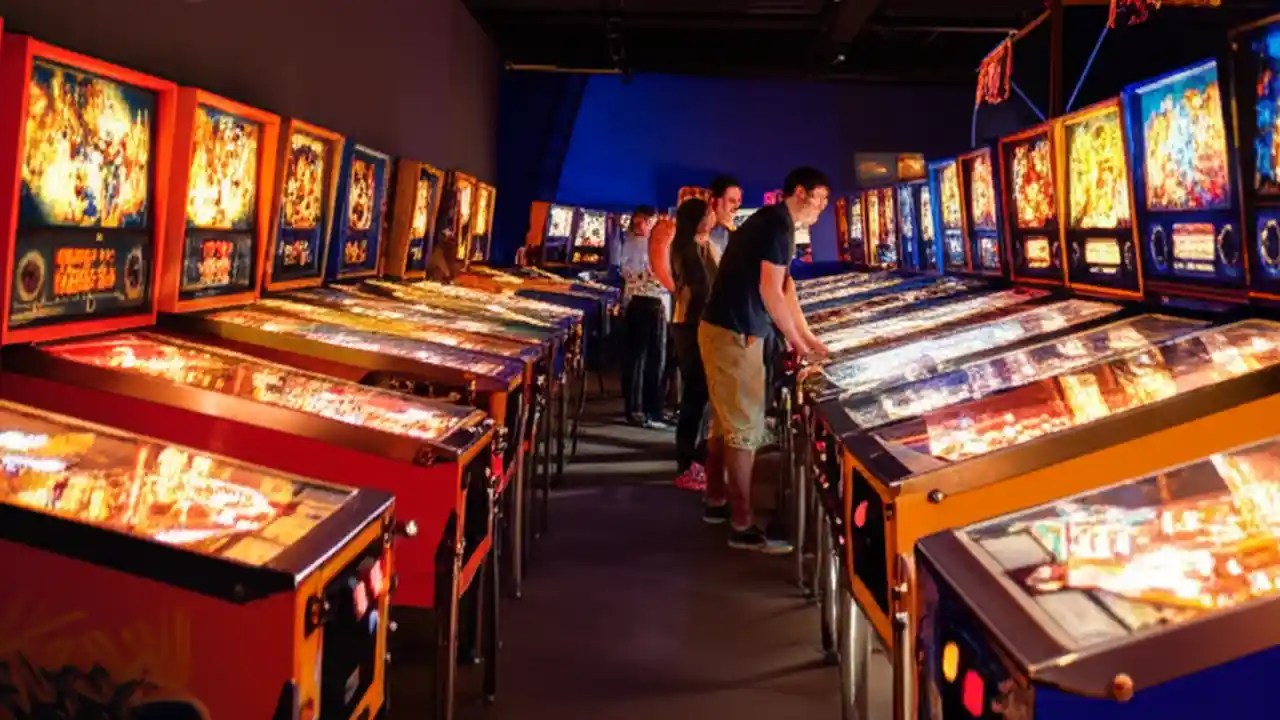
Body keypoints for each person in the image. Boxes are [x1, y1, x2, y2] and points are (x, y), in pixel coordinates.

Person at [699, 167, 831, 552]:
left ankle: (716, 500)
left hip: (726, 331)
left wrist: (808, 340)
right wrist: (796, 342)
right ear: (800, 193)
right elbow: (770, 290)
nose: (822, 207)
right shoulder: (777, 226)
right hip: (736, 334)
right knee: (744, 427)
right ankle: (742, 526)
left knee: (725, 424)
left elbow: (786, 290)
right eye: (820, 198)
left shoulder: (775, 223)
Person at [667, 198, 720, 490]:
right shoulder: (687, 247)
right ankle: (687, 464)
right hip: (691, 325)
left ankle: (692, 462)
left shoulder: (699, 244)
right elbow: (701, 287)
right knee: (695, 395)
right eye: (708, 213)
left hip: (695, 324)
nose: (711, 217)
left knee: (698, 395)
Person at [618, 206, 670, 429]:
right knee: (640, 359)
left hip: (654, 302)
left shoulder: (655, 244)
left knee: (652, 359)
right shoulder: (631, 243)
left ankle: (650, 408)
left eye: (645, 222)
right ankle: (640, 410)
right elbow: (630, 272)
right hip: (643, 302)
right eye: (638, 223)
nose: (641, 227)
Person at [707, 175, 743, 258]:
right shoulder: (702, 234)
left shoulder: (735, 233)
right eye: (732, 201)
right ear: (715, 202)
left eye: (739, 201)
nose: (737, 206)